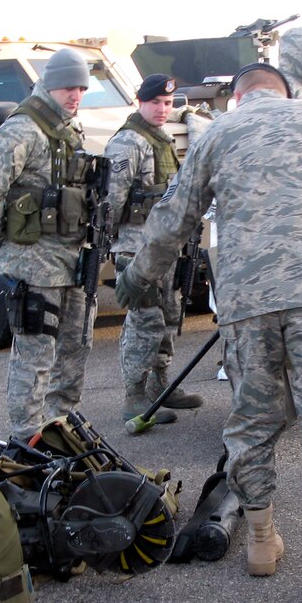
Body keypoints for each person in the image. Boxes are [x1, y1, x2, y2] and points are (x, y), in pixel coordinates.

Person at [117, 63, 302, 603]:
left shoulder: (215, 134)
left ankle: (262, 543)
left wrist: (134, 278)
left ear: (238, 98)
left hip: (246, 302)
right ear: (285, 92)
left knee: (252, 418)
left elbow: (174, 217)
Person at [0, 47, 98, 441]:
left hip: (72, 259)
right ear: (49, 84)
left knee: (76, 346)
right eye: (67, 87)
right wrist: (2, 244)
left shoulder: (70, 129)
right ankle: (27, 438)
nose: (75, 95)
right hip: (34, 263)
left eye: (81, 88)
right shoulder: (23, 129)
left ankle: (61, 427)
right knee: (36, 356)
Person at [105, 74, 204, 427]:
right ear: (140, 102)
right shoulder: (128, 143)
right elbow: (110, 201)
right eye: (156, 103)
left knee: (168, 315)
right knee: (144, 320)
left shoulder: (160, 139)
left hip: (164, 246)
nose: (163, 109)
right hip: (136, 248)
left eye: (168, 103)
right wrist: (112, 246)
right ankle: (134, 395)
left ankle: (160, 385)